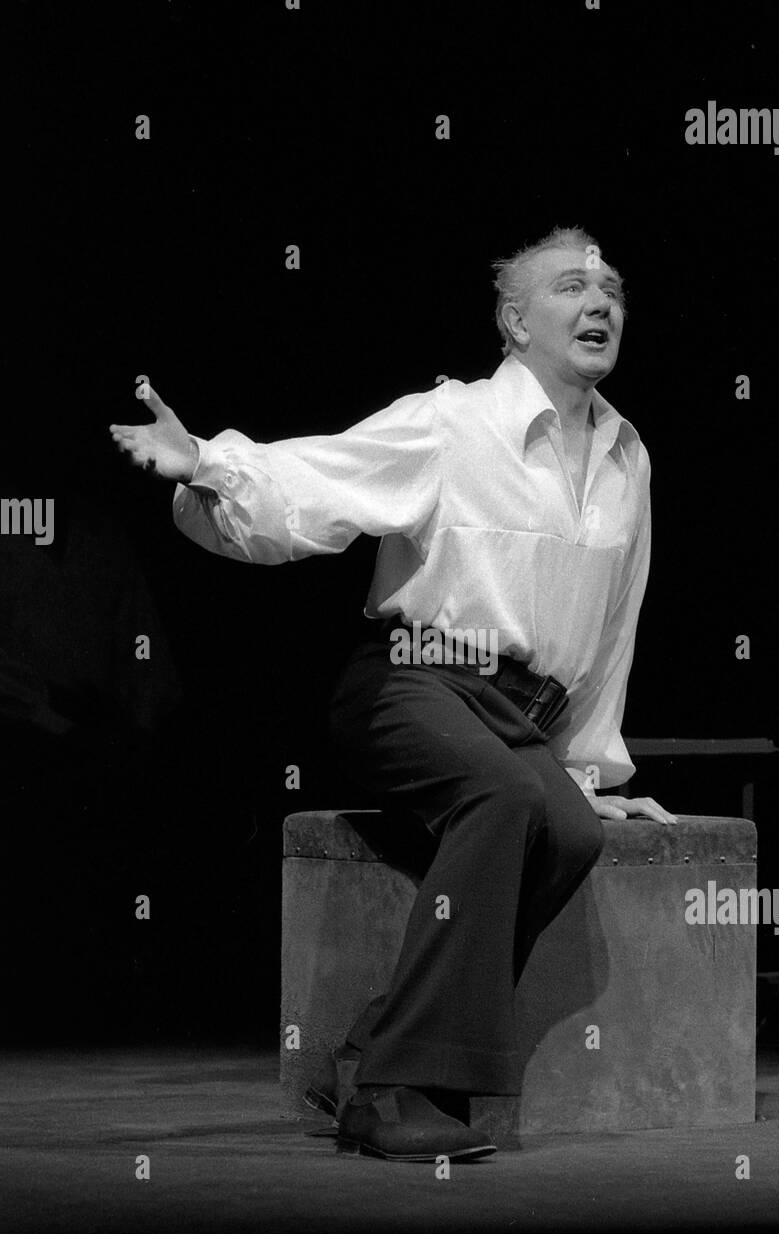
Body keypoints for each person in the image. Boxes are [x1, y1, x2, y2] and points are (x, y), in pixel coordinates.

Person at [110, 225, 675, 1161]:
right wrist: (207, 461)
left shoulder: (628, 459)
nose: (601, 300)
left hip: (519, 713)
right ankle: (393, 1090)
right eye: (572, 285)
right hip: (412, 680)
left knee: (566, 831)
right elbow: (323, 479)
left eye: (611, 284)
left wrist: (583, 771)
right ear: (513, 320)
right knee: (498, 801)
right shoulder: (455, 424)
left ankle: (374, 1044)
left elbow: (613, 629)